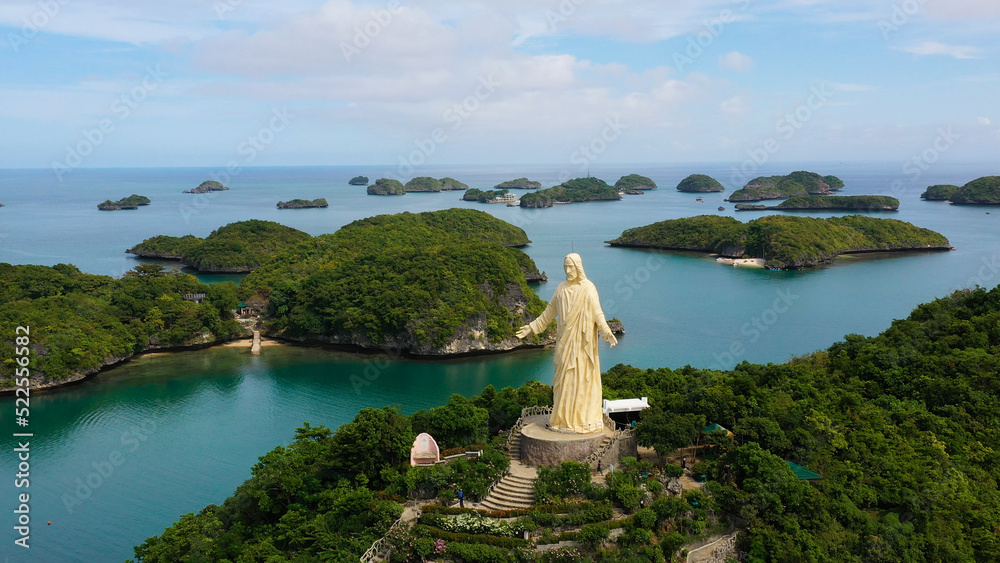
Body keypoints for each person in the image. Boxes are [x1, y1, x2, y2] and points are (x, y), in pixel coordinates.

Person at [517, 253, 617, 433]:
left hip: (581, 345)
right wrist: (531, 327)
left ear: (578, 267)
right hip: (564, 342)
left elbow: (597, 313)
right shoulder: (561, 289)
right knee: (563, 381)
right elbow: (548, 313)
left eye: (571, 267)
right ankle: (562, 419)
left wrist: (607, 331)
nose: (568, 271)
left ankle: (582, 420)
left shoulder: (588, 288)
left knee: (581, 381)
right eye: (565, 267)